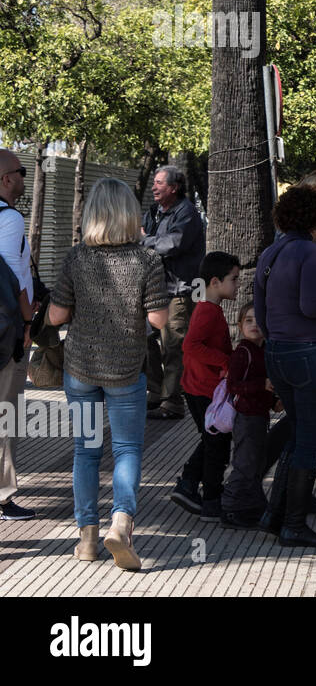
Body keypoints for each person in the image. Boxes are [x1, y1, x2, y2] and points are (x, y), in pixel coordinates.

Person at [47, 178, 170, 570]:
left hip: (81, 369)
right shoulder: (147, 259)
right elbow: (158, 318)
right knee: (128, 449)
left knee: (86, 451)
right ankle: (120, 523)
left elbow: (57, 316)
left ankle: (86, 538)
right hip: (125, 371)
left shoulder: (76, 257)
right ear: (129, 215)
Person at [253, 184, 316, 548]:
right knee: (309, 439)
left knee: (296, 433)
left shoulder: (271, 252)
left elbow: (261, 313)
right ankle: (293, 525)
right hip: (308, 352)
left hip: (277, 351)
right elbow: (312, 305)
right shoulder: (309, 253)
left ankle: (274, 514)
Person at [169, 251, 240, 520]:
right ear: (214, 282)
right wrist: (225, 361)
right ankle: (210, 499)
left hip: (203, 388)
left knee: (214, 441)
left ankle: (189, 484)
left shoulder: (209, 309)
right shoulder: (207, 311)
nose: (237, 285)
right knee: (216, 445)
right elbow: (190, 345)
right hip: (202, 390)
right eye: (233, 279)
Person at [142, 165, 206, 419]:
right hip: (154, 289)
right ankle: (155, 393)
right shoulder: (154, 212)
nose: (154, 187)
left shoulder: (187, 213)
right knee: (146, 340)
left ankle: (172, 402)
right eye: (154, 182)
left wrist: (144, 240)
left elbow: (173, 244)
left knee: (173, 346)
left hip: (179, 291)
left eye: (159, 183)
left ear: (174, 187)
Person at [0, 150, 35, 521]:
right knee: (5, 413)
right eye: (22, 172)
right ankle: (3, 499)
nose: (25, 178)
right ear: (7, 179)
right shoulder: (9, 218)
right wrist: (28, 323)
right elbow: (12, 277)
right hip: (6, 334)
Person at [221, 303, 273, 529]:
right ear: (240, 326)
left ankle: (252, 505)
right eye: (249, 321)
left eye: (258, 320)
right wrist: (262, 385)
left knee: (255, 462)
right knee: (244, 464)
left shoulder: (263, 350)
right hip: (246, 417)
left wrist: (273, 399)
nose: (254, 325)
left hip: (260, 415)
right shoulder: (242, 352)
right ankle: (230, 508)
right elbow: (233, 386)